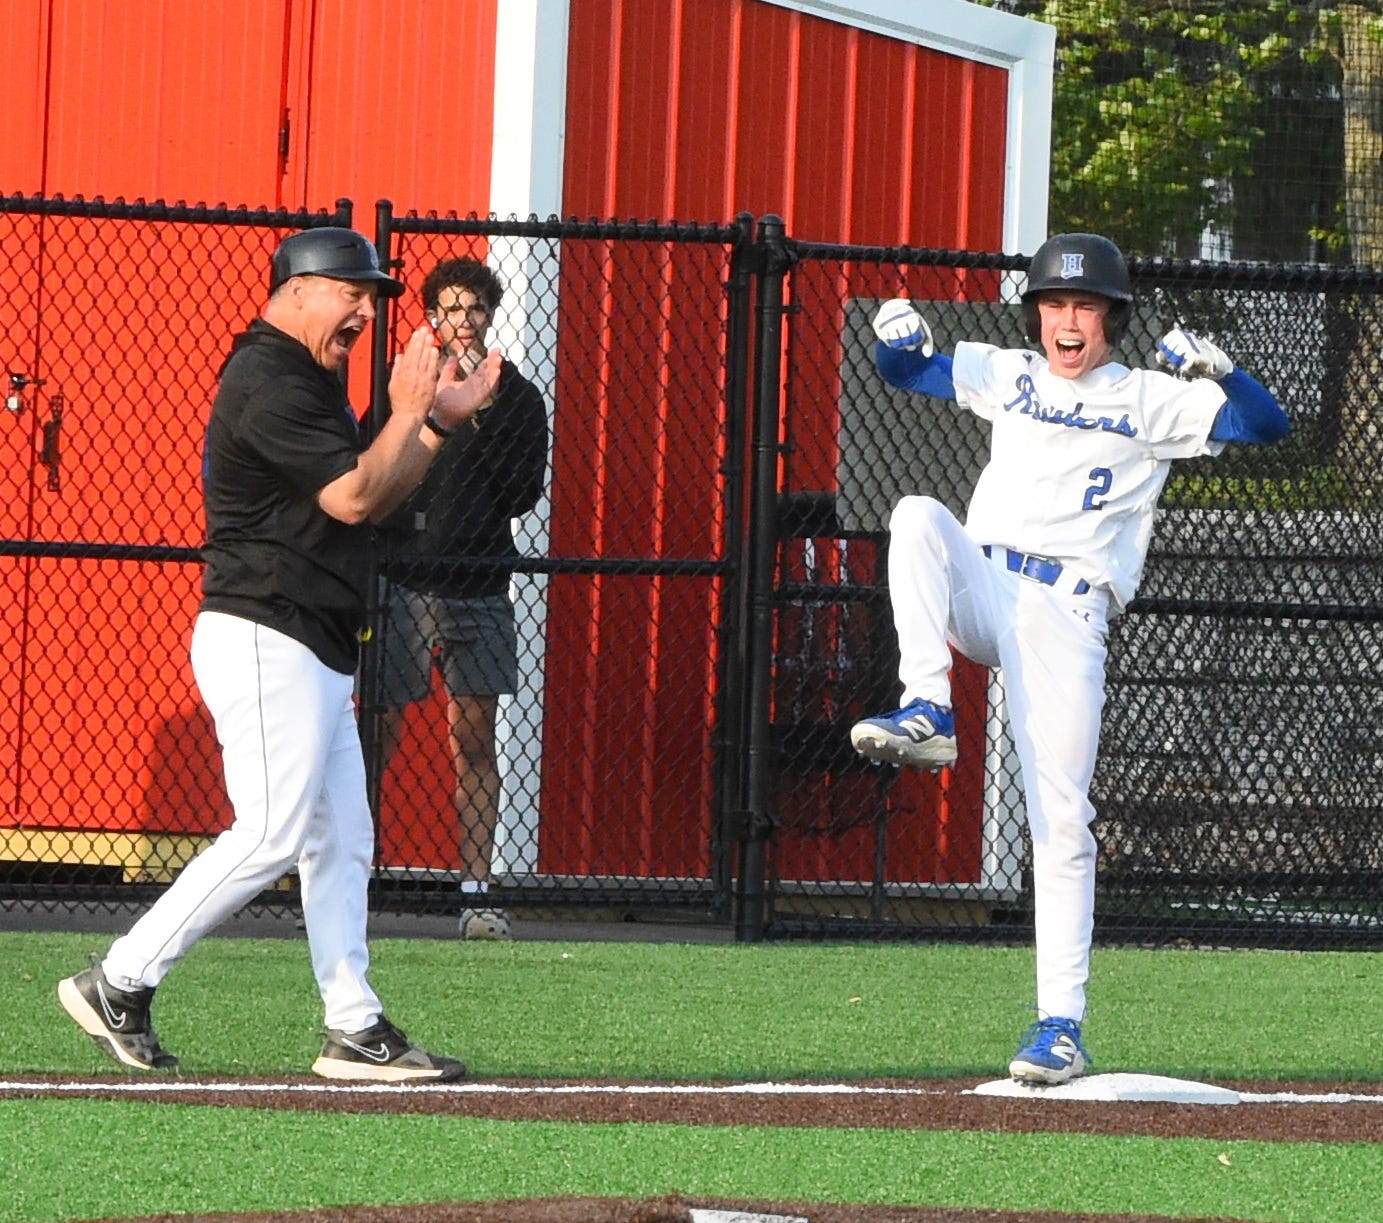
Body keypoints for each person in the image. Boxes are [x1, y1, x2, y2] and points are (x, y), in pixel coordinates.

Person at [58, 226, 501, 1081]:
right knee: (269, 830)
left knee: (343, 839)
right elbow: (352, 495)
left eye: (373, 295)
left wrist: (436, 428)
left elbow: (370, 492)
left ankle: (355, 1026)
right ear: (296, 291)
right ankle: (119, 978)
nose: (366, 311)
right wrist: (409, 411)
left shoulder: (307, 375)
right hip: (269, 630)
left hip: (312, 638)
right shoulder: (268, 376)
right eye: (351, 292)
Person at [849, 233, 1290, 1085]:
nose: (1068, 320)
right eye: (1054, 303)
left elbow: (1263, 425)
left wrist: (1220, 370)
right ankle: (927, 706)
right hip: (985, 577)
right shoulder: (1012, 373)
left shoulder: (1152, 397)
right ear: (1037, 315)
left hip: (1065, 608)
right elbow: (911, 374)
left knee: (1059, 819)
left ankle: (1059, 1025)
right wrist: (891, 339)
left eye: (1085, 306)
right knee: (912, 515)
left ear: (1111, 318)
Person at [372, 257, 548, 939]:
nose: (462, 321)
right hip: (403, 582)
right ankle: (346, 880)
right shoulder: (406, 387)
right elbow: (373, 463)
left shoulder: (518, 398)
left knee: (471, 738)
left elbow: (520, 493)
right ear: (430, 317)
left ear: (489, 316)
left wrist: (483, 410)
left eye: (474, 308)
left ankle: (476, 893)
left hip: (479, 584)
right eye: (450, 309)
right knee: (376, 734)